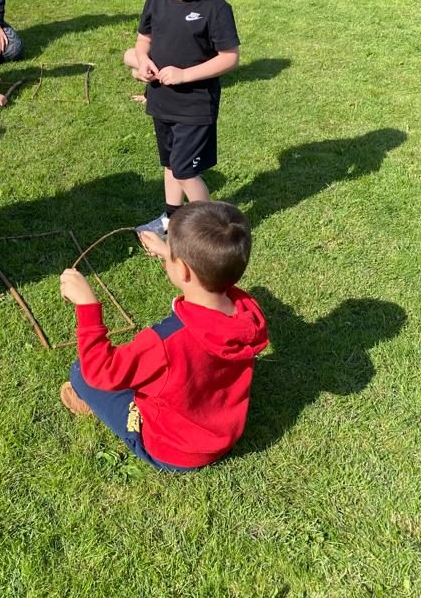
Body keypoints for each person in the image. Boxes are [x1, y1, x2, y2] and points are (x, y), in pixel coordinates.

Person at [59, 201, 268, 472]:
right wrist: (168, 252)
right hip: (220, 434)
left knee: (80, 374)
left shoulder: (166, 342)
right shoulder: (246, 312)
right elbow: (203, 276)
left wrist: (87, 306)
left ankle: (89, 404)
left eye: (171, 253)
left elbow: (100, 370)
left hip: (172, 450)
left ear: (182, 270)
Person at [124, 0, 240, 239]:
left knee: (187, 169)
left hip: (195, 107)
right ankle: (171, 221)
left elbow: (230, 58)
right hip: (161, 101)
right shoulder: (155, 1)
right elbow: (143, 40)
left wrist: (185, 74)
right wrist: (144, 59)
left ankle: (210, 233)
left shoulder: (215, 9)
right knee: (171, 166)